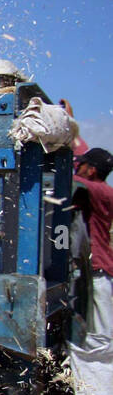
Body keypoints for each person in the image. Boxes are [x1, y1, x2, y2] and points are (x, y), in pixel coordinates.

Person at [72, 146, 113, 353]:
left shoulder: (99, 191)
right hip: (97, 271)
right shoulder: (103, 191)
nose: (78, 167)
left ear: (92, 170)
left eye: (82, 164)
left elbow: (72, 183)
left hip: (97, 272)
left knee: (101, 338)